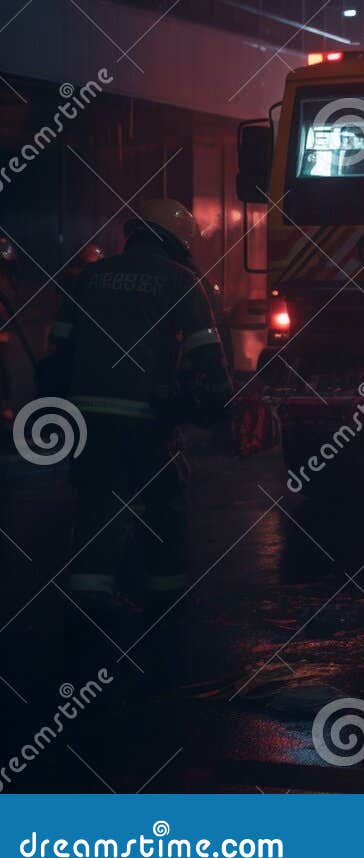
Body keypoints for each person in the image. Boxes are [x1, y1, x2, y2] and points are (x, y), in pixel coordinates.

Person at [40, 199, 232, 681]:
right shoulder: (179, 280)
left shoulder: (89, 278)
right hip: (149, 422)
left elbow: (58, 351)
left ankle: (88, 607)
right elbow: (205, 354)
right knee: (165, 505)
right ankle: (165, 609)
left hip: (88, 421)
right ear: (174, 243)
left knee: (95, 508)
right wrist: (216, 403)